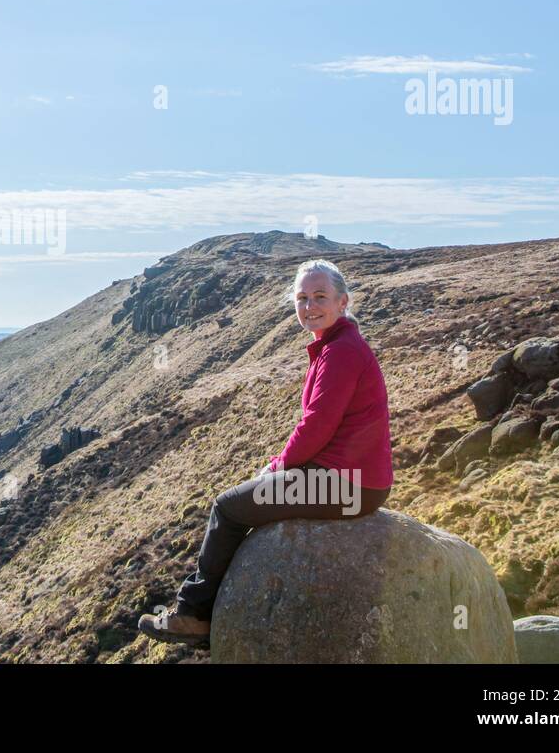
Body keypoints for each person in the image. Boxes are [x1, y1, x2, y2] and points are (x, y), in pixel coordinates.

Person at [137, 258, 394, 647]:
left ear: (343, 302)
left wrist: (277, 467)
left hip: (347, 487)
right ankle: (203, 615)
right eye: (302, 297)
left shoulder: (341, 351)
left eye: (320, 296)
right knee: (241, 504)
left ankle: (192, 615)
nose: (310, 305)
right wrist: (283, 468)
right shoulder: (335, 346)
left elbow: (317, 425)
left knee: (227, 508)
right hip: (349, 482)